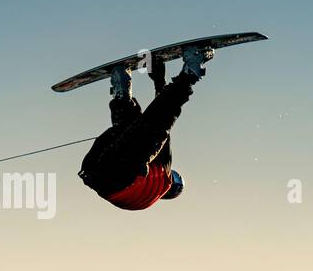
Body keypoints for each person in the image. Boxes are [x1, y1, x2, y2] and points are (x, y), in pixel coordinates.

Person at [78, 45, 214, 210]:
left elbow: (160, 122)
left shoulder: (164, 178)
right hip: (94, 172)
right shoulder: (148, 191)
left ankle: (192, 69)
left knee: (149, 130)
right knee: (131, 133)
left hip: (119, 176)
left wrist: (159, 79)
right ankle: (121, 86)